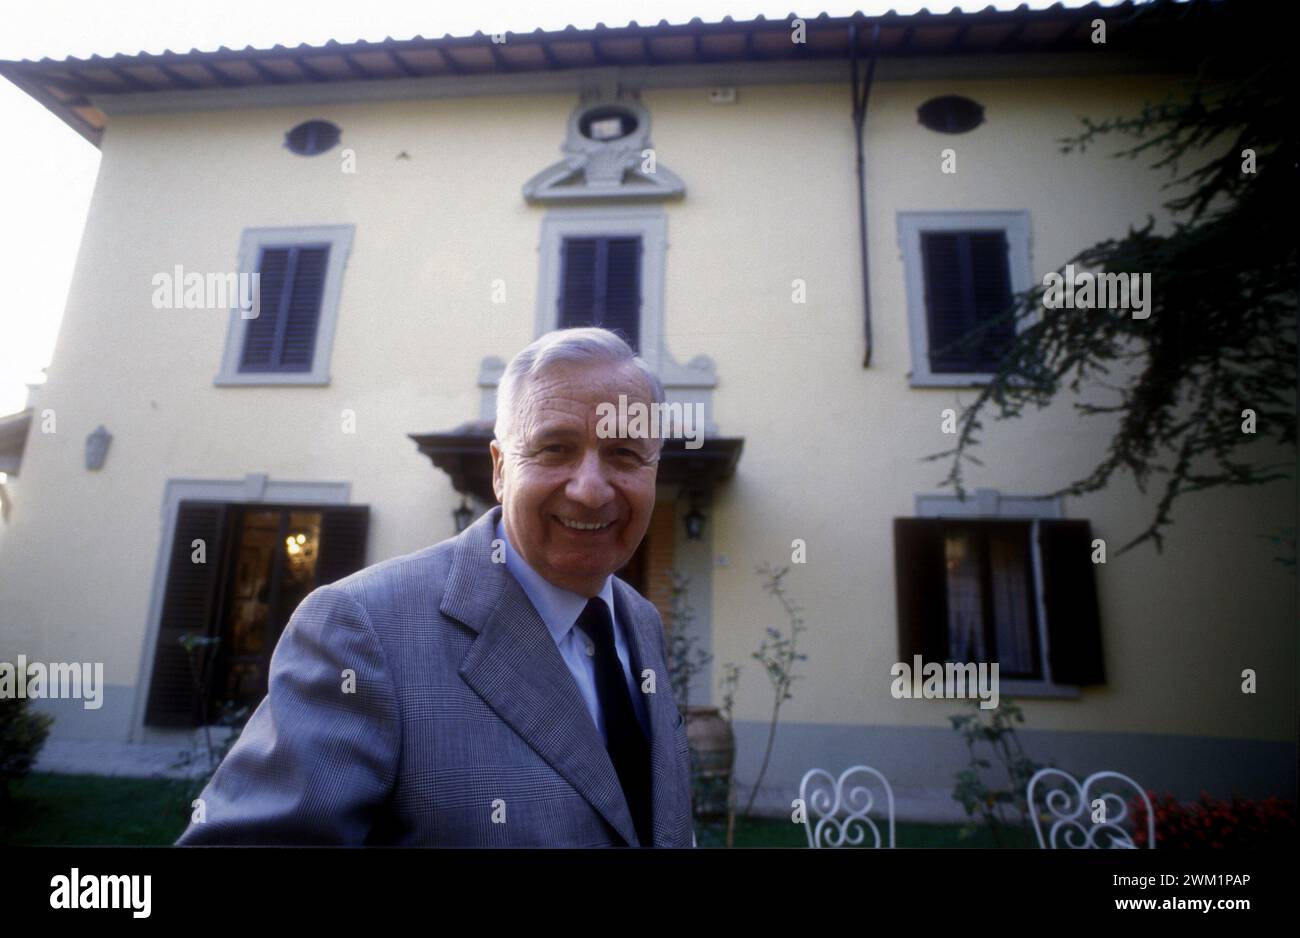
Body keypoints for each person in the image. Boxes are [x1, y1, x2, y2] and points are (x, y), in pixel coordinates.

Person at [176, 327, 695, 847]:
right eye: (555, 449)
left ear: (653, 472)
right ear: (499, 470)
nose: (589, 490)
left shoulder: (640, 619)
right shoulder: (360, 631)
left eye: (625, 454)